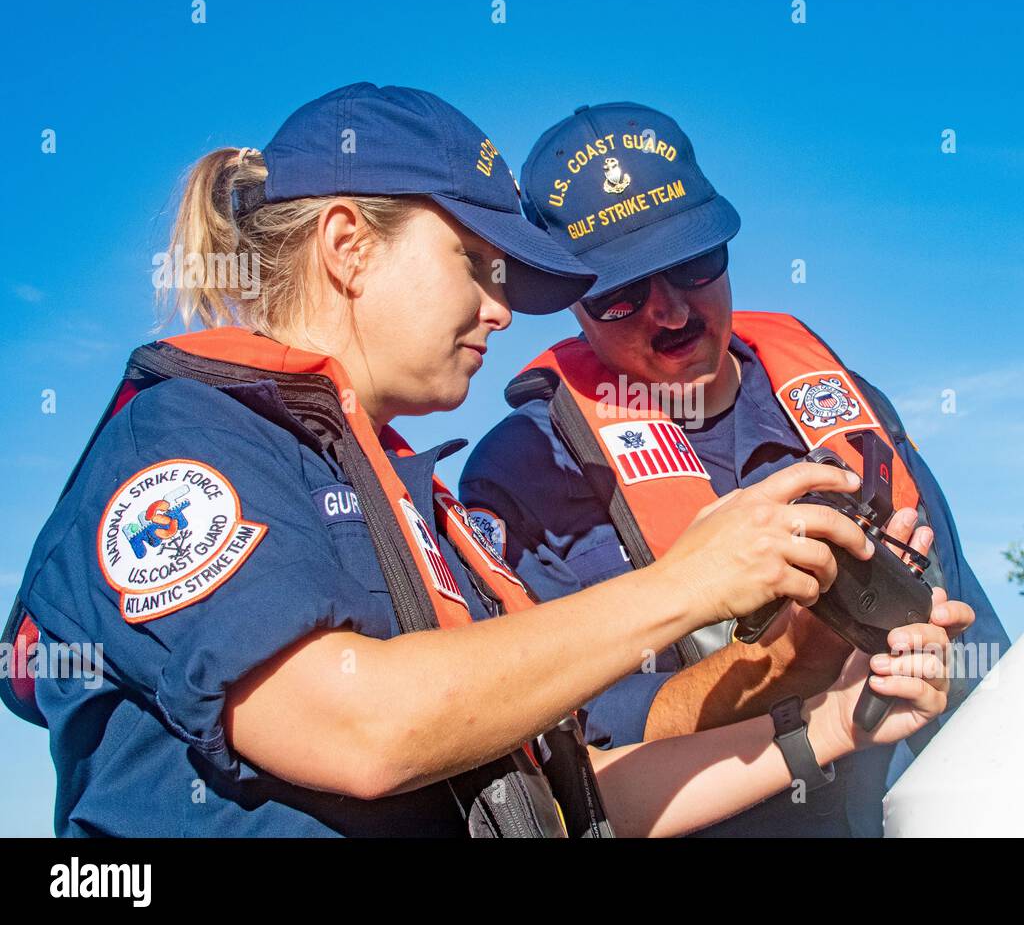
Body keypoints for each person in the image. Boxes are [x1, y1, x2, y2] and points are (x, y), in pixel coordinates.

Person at [2, 83, 970, 838]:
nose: (502, 311)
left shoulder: (434, 516)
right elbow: (361, 728)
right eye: (477, 264)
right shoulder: (186, 439)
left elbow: (577, 796)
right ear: (349, 244)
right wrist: (686, 582)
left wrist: (831, 724)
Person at [459, 101, 1012, 836]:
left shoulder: (843, 401)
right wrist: (791, 668)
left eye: (691, 262)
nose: (671, 312)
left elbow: (980, 644)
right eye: (621, 294)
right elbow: (580, 754)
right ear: (569, 302)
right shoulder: (520, 473)